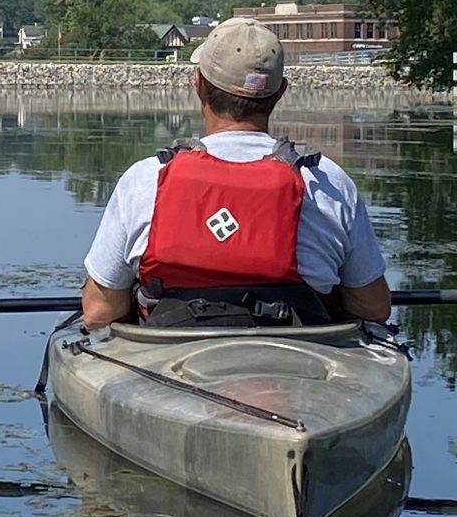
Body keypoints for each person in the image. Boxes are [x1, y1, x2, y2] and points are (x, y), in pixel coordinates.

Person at [80, 16, 390, 330]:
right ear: (280, 91)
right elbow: (373, 307)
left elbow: (99, 312)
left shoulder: (146, 180)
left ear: (199, 84)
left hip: (168, 362)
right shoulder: (327, 182)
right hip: (299, 362)